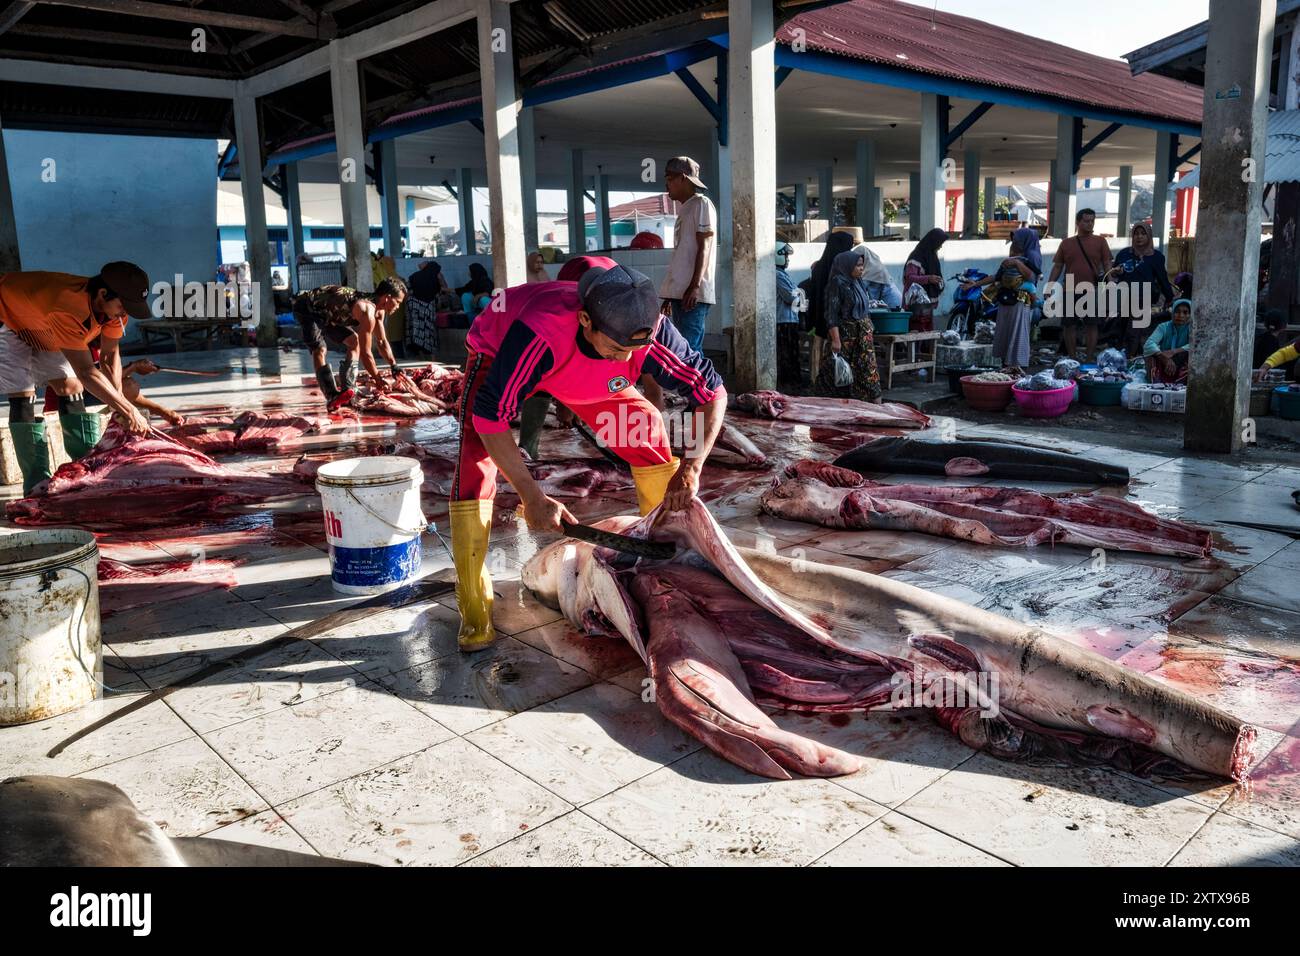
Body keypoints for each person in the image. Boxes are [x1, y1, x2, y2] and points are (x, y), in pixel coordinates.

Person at [451, 264, 726, 651]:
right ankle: (473, 601)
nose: (624, 360)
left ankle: (661, 558)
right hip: (499, 349)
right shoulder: (540, 331)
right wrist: (531, 496)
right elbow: (490, 416)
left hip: (587, 378)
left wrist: (692, 467)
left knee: (646, 430)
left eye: (633, 352)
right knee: (476, 465)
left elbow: (712, 393)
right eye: (616, 349)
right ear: (585, 320)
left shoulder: (654, 333)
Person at [0, 262, 152, 493]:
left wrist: (119, 403)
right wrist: (129, 411)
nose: (125, 313)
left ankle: (86, 466)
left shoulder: (115, 313)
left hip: (43, 324)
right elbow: (88, 371)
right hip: (7, 316)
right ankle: (36, 482)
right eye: (123, 305)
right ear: (102, 294)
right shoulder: (67, 307)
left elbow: (110, 358)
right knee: (23, 393)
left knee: (70, 386)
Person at [293, 277, 407, 412]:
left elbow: (382, 341)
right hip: (307, 307)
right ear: (387, 298)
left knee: (354, 341)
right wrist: (377, 378)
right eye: (398, 302)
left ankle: (348, 390)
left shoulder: (379, 312)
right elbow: (366, 354)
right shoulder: (367, 311)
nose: (398, 306)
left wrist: (394, 366)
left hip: (330, 315)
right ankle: (331, 396)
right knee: (320, 349)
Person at [659, 156, 717, 351]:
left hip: (692, 293)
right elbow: (683, 254)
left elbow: (705, 246)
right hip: (682, 292)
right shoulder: (686, 208)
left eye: (669, 179)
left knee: (690, 350)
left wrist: (694, 287)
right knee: (684, 348)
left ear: (682, 178)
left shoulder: (702, 204)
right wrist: (671, 292)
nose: (666, 185)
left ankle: (701, 382)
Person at [962, 227, 1041, 368]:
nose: (1014, 241)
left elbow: (1031, 277)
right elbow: (997, 276)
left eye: (1016, 238)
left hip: (1020, 300)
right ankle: (1006, 366)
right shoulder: (1015, 253)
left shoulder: (1032, 255)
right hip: (1006, 299)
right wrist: (976, 284)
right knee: (1005, 332)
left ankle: (1016, 367)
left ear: (1024, 240)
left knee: (1017, 333)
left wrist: (1017, 263)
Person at [815, 249, 884, 402]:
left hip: (862, 338)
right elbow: (831, 313)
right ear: (847, 266)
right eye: (857, 265)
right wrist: (836, 340)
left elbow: (863, 308)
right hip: (845, 338)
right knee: (837, 374)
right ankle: (830, 408)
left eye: (862, 265)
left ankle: (876, 407)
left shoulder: (858, 282)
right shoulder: (837, 283)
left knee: (868, 372)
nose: (861, 268)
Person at [1048, 208, 1112, 362]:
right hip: (1069, 288)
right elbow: (1058, 266)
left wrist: (1110, 283)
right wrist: (1050, 285)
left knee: (1092, 325)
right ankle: (1072, 358)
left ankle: (1089, 358)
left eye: (1092, 221)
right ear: (1078, 222)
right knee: (1069, 325)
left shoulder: (1100, 241)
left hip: (1091, 288)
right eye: (1086, 221)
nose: (1090, 224)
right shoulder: (1066, 243)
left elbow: (1107, 263)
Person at [1105, 222, 1174, 354]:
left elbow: (1162, 278)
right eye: (1136, 234)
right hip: (1124, 297)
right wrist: (1117, 272)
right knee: (1120, 328)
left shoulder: (1156, 257)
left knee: (1134, 330)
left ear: (1149, 236)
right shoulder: (1124, 254)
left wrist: (1169, 297)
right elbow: (1114, 273)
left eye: (1143, 234)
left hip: (1143, 298)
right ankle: (1118, 357)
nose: (1139, 237)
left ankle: (1130, 359)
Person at [805, 231, 855, 381]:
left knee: (817, 351)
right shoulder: (841, 270)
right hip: (834, 321)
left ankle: (816, 382)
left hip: (817, 317)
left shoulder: (819, 266)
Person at [1144, 298, 1193, 384]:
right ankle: (1155, 384)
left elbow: (1197, 344)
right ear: (1172, 313)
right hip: (1164, 365)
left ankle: (1183, 386)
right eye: (1177, 312)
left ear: (1190, 314)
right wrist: (1163, 357)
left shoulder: (1192, 327)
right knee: (1151, 355)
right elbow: (1149, 344)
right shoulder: (1164, 327)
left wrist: (1174, 351)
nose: (1181, 315)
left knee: (1189, 355)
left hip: (1182, 366)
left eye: (1185, 312)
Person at [406, 260, 450, 355]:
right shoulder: (435, 278)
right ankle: (429, 352)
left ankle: (417, 353)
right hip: (428, 309)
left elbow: (407, 290)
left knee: (415, 330)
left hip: (414, 308)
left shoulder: (413, 276)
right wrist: (440, 278)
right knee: (428, 330)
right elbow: (444, 291)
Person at [775, 242, 801, 386]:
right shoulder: (778, 275)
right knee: (787, 354)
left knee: (791, 353)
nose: (787, 258)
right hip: (784, 319)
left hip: (788, 318)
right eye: (785, 255)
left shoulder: (782, 274)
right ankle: (789, 384)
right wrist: (799, 297)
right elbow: (792, 297)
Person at [903, 228, 947, 301]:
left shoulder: (932, 257)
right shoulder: (916, 257)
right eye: (939, 244)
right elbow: (910, 278)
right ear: (934, 242)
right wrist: (928, 279)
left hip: (927, 303)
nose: (940, 247)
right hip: (914, 302)